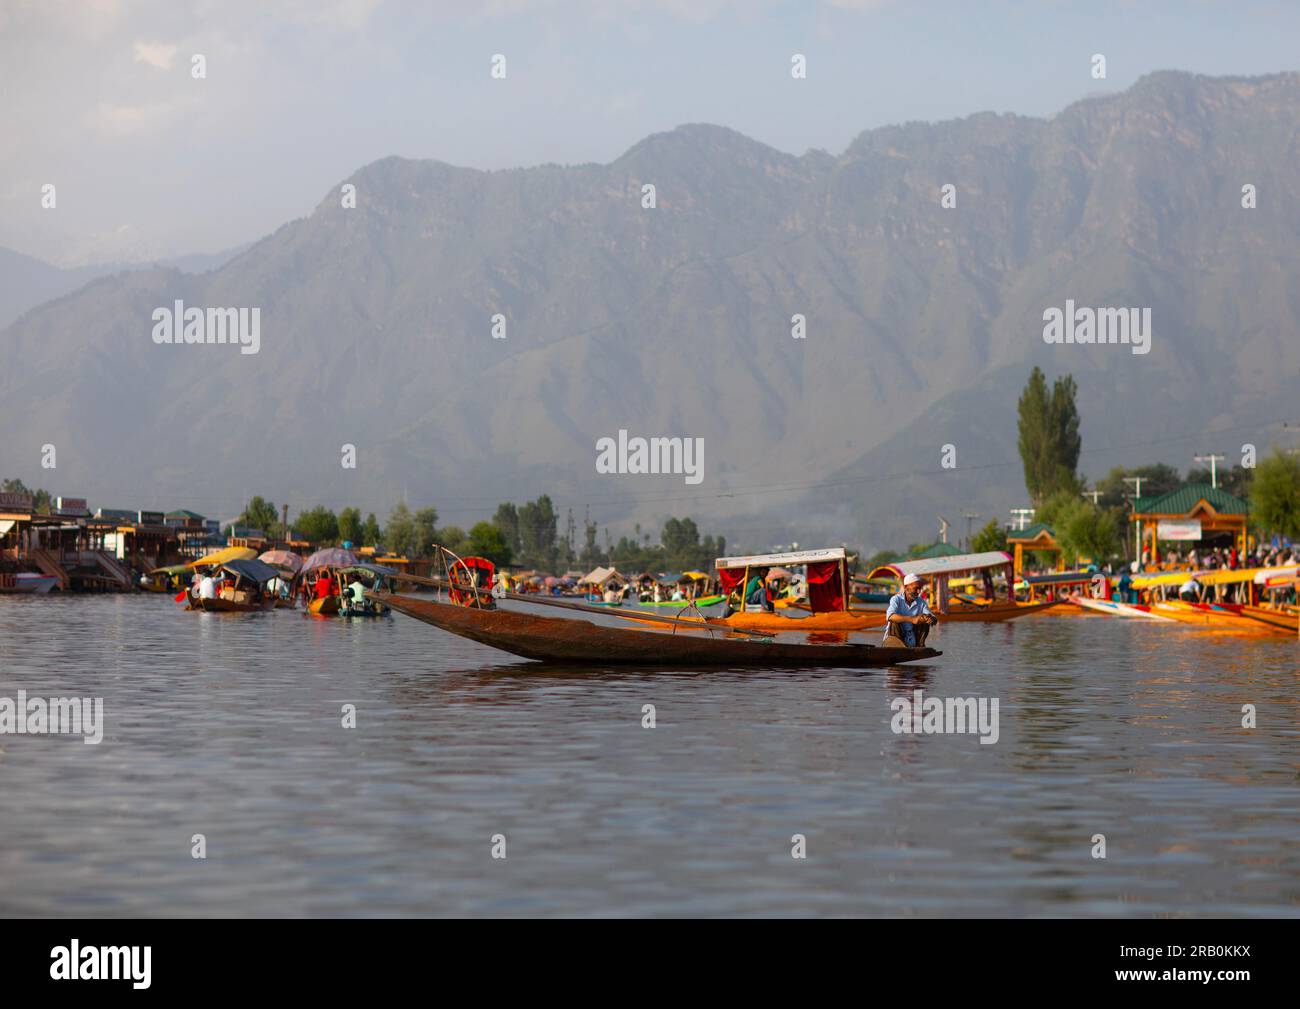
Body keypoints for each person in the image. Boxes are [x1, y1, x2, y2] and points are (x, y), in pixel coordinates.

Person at [884, 573, 937, 647]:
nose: (919, 592)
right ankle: (897, 647)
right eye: (916, 588)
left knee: (925, 619)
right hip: (895, 641)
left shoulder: (921, 602)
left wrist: (931, 619)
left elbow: (933, 617)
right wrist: (912, 619)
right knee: (894, 621)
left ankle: (920, 645)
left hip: (913, 640)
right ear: (906, 587)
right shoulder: (896, 599)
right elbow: (890, 616)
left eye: (919, 589)